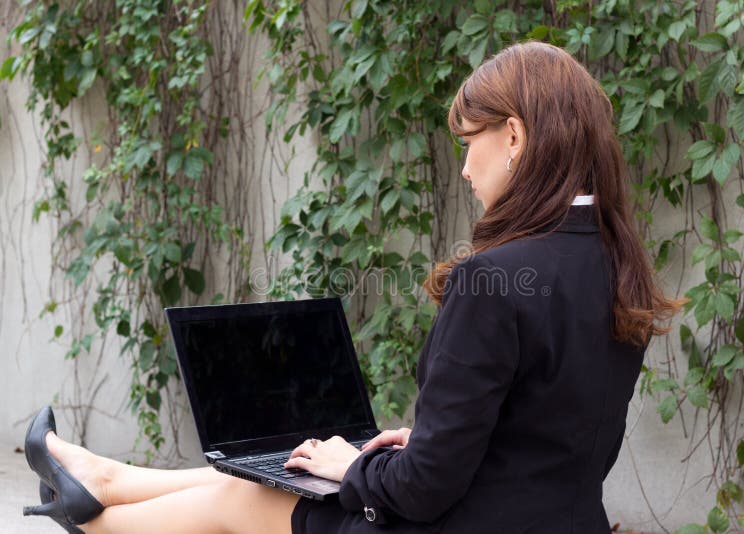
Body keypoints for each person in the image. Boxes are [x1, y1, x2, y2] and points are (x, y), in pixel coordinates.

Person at [22, 40, 686, 534]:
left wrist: (352, 468)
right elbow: (542, 440)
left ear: (513, 136)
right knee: (286, 466)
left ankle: (85, 516)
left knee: (245, 498)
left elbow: (425, 491)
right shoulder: (615, 264)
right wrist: (414, 444)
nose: (462, 169)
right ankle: (103, 478)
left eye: (469, 141)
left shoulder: (490, 281)